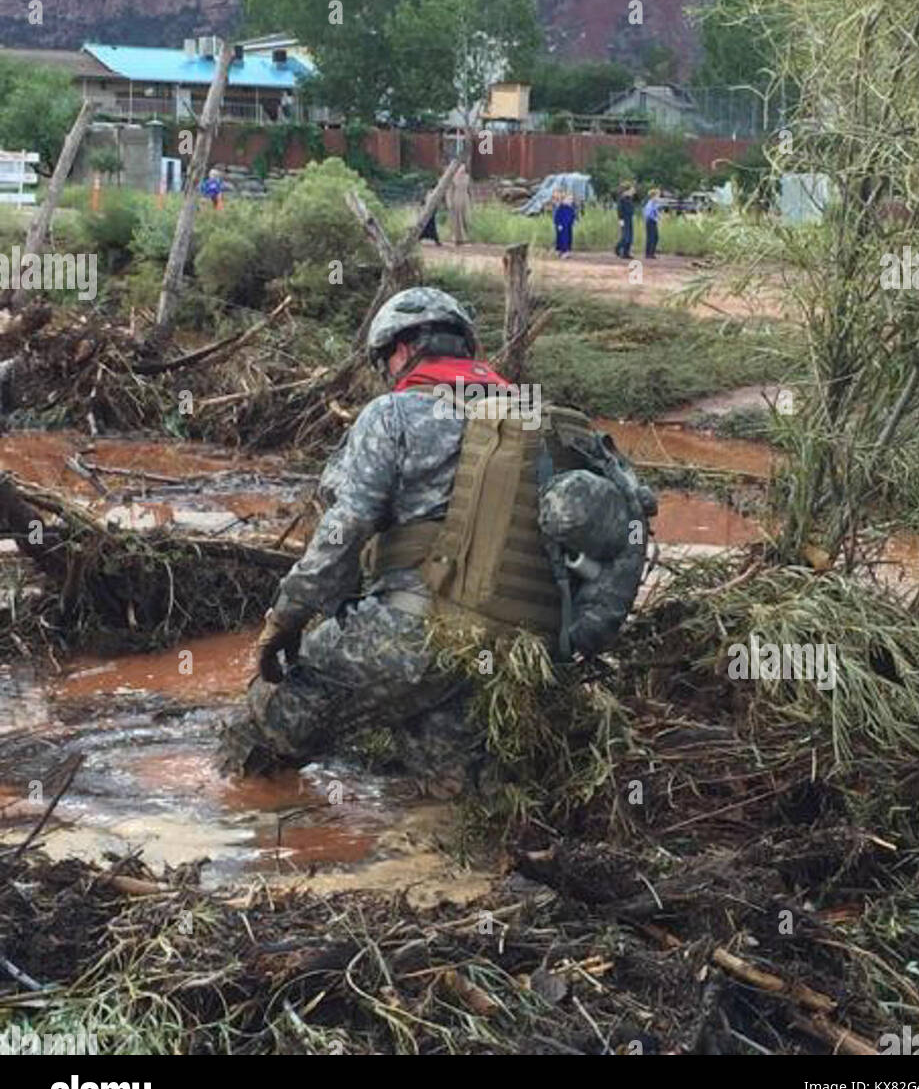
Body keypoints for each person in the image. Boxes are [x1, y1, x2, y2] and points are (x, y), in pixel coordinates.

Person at [217, 286, 656, 779]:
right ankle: (431, 849)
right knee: (446, 803)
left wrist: (288, 616)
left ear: (402, 349)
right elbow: (636, 511)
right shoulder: (535, 418)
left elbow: (346, 528)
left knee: (257, 733)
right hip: (511, 657)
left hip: (415, 634)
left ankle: (244, 822)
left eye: (385, 361)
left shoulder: (393, 415)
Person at [447, 163, 472, 245]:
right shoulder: (454, 179)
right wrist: (450, 202)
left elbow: (469, 189)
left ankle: (465, 237)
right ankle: (456, 238)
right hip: (457, 197)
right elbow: (450, 191)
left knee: (465, 217)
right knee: (457, 219)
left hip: (465, 197)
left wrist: (471, 199)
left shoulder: (467, 178)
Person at [553, 189, 577, 258]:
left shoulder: (571, 209)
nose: (570, 201)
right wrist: (558, 224)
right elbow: (557, 217)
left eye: (571, 199)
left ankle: (567, 251)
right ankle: (562, 251)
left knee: (569, 238)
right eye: (568, 199)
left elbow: (573, 216)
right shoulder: (560, 208)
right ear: (563, 200)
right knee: (562, 239)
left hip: (568, 227)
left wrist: (574, 221)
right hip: (562, 227)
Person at [615, 184, 635, 259]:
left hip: (629, 218)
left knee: (630, 236)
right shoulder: (622, 199)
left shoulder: (629, 198)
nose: (633, 192)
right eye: (632, 190)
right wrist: (620, 220)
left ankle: (626, 253)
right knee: (625, 236)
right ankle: (617, 248)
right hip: (624, 219)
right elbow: (619, 210)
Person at [643, 188, 661, 258]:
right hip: (650, 221)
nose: (658, 198)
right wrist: (655, 218)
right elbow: (648, 214)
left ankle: (651, 252)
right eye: (657, 196)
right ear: (653, 196)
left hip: (653, 221)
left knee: (655, 237)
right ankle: (649, 253)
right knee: (651, 237)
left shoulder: (655, 204)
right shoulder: (650, 204)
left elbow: (656, 212)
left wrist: (658, 217)